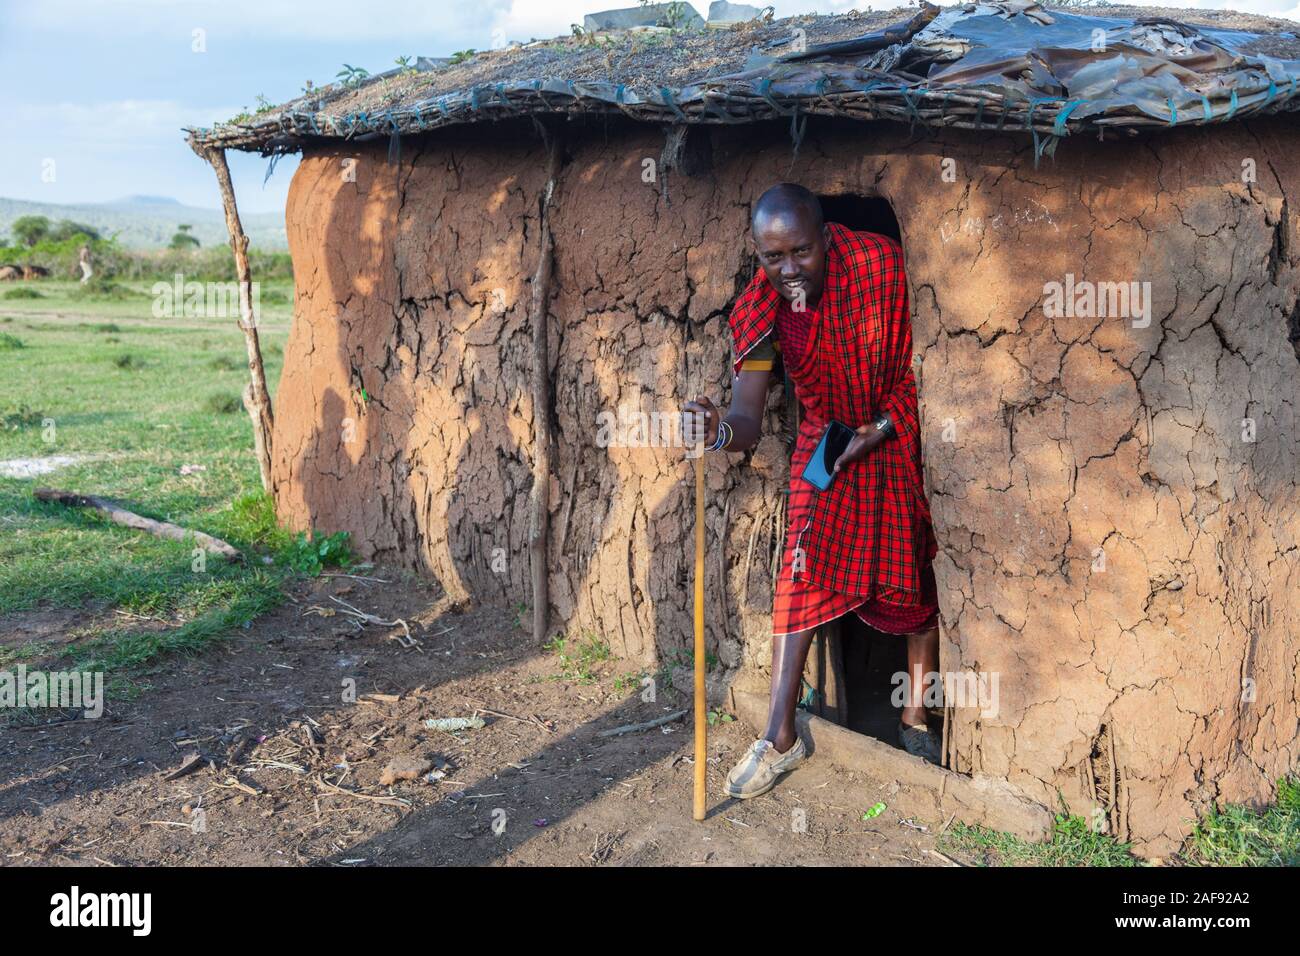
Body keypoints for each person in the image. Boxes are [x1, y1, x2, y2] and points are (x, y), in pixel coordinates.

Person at [683, 183, 942, 800]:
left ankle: (916, 715)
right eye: (774, 257)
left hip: (891, 426)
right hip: (826, 438)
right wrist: (716, 427)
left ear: (827, 238)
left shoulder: (880, 267)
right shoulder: (762, 312)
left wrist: (877, 431)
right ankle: (780, 736)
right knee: (799, 568)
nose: (789, 269)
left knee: (914, 574)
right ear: (757, 253)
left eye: (801, 251)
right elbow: (746, 419)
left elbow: (920, 366)